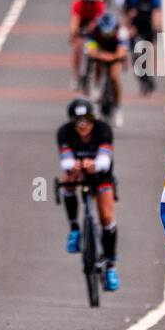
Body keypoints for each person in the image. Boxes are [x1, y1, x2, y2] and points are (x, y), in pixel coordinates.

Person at [58, 98, 120, 290]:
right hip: (78, 173)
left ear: (93, 120)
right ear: (72, 122)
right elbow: (66, 162)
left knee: (107, 218)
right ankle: (75, 229)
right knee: (67, 180)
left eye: (87, 120)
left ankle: (111, 266)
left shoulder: (103, 130)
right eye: (78, 121)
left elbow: (104, 162)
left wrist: (93, 167)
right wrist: (74, 166)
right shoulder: (64, 132)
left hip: (101, 175)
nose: (83, 125)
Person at [81, 12, 127, 125]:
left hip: (114, 53)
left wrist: (113, 57)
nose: (107, 34)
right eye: (104, 32)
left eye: (109, 32)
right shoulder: (93, 31)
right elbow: (91, 52)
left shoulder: (121, 32)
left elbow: (121, 52)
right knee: (96, 64)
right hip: (100, 52)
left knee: (114, 77)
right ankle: (96, 91)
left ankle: (117, 108)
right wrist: (101, 56)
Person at [126, 0, 162, 95]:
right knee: (136, 57)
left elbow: (157, 14)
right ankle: (142, 78)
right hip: (137, 30)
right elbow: (130, 14)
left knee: (148, 54)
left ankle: (148, 78)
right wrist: (129, 27)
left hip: (148, 31)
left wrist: (157, 29)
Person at [69, 0, 106, 83]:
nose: (89, 4)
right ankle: (75, 76)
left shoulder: (99, 5)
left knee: (99, 54)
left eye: (91, 2)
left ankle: (98, 81)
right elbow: (74, 21)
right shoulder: (78, 4)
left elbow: (100, 20)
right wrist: (74, 34)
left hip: (94, 27)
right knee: (77, 49)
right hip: (82, 25)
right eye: (86, 2)